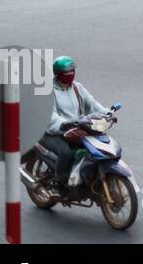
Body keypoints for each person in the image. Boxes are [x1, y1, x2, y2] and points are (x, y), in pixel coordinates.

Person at [43, 55, 108, 193]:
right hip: (53, 132)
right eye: (66, 73)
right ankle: (59, 183)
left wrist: (106, 113)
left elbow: (92, 103)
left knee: (95, 148)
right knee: (65, 153)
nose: (70, 75)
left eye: (72, 71)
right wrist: (63, 124)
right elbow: (50, 114)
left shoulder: (77, 88)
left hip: (76, 129)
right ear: (58, 74)